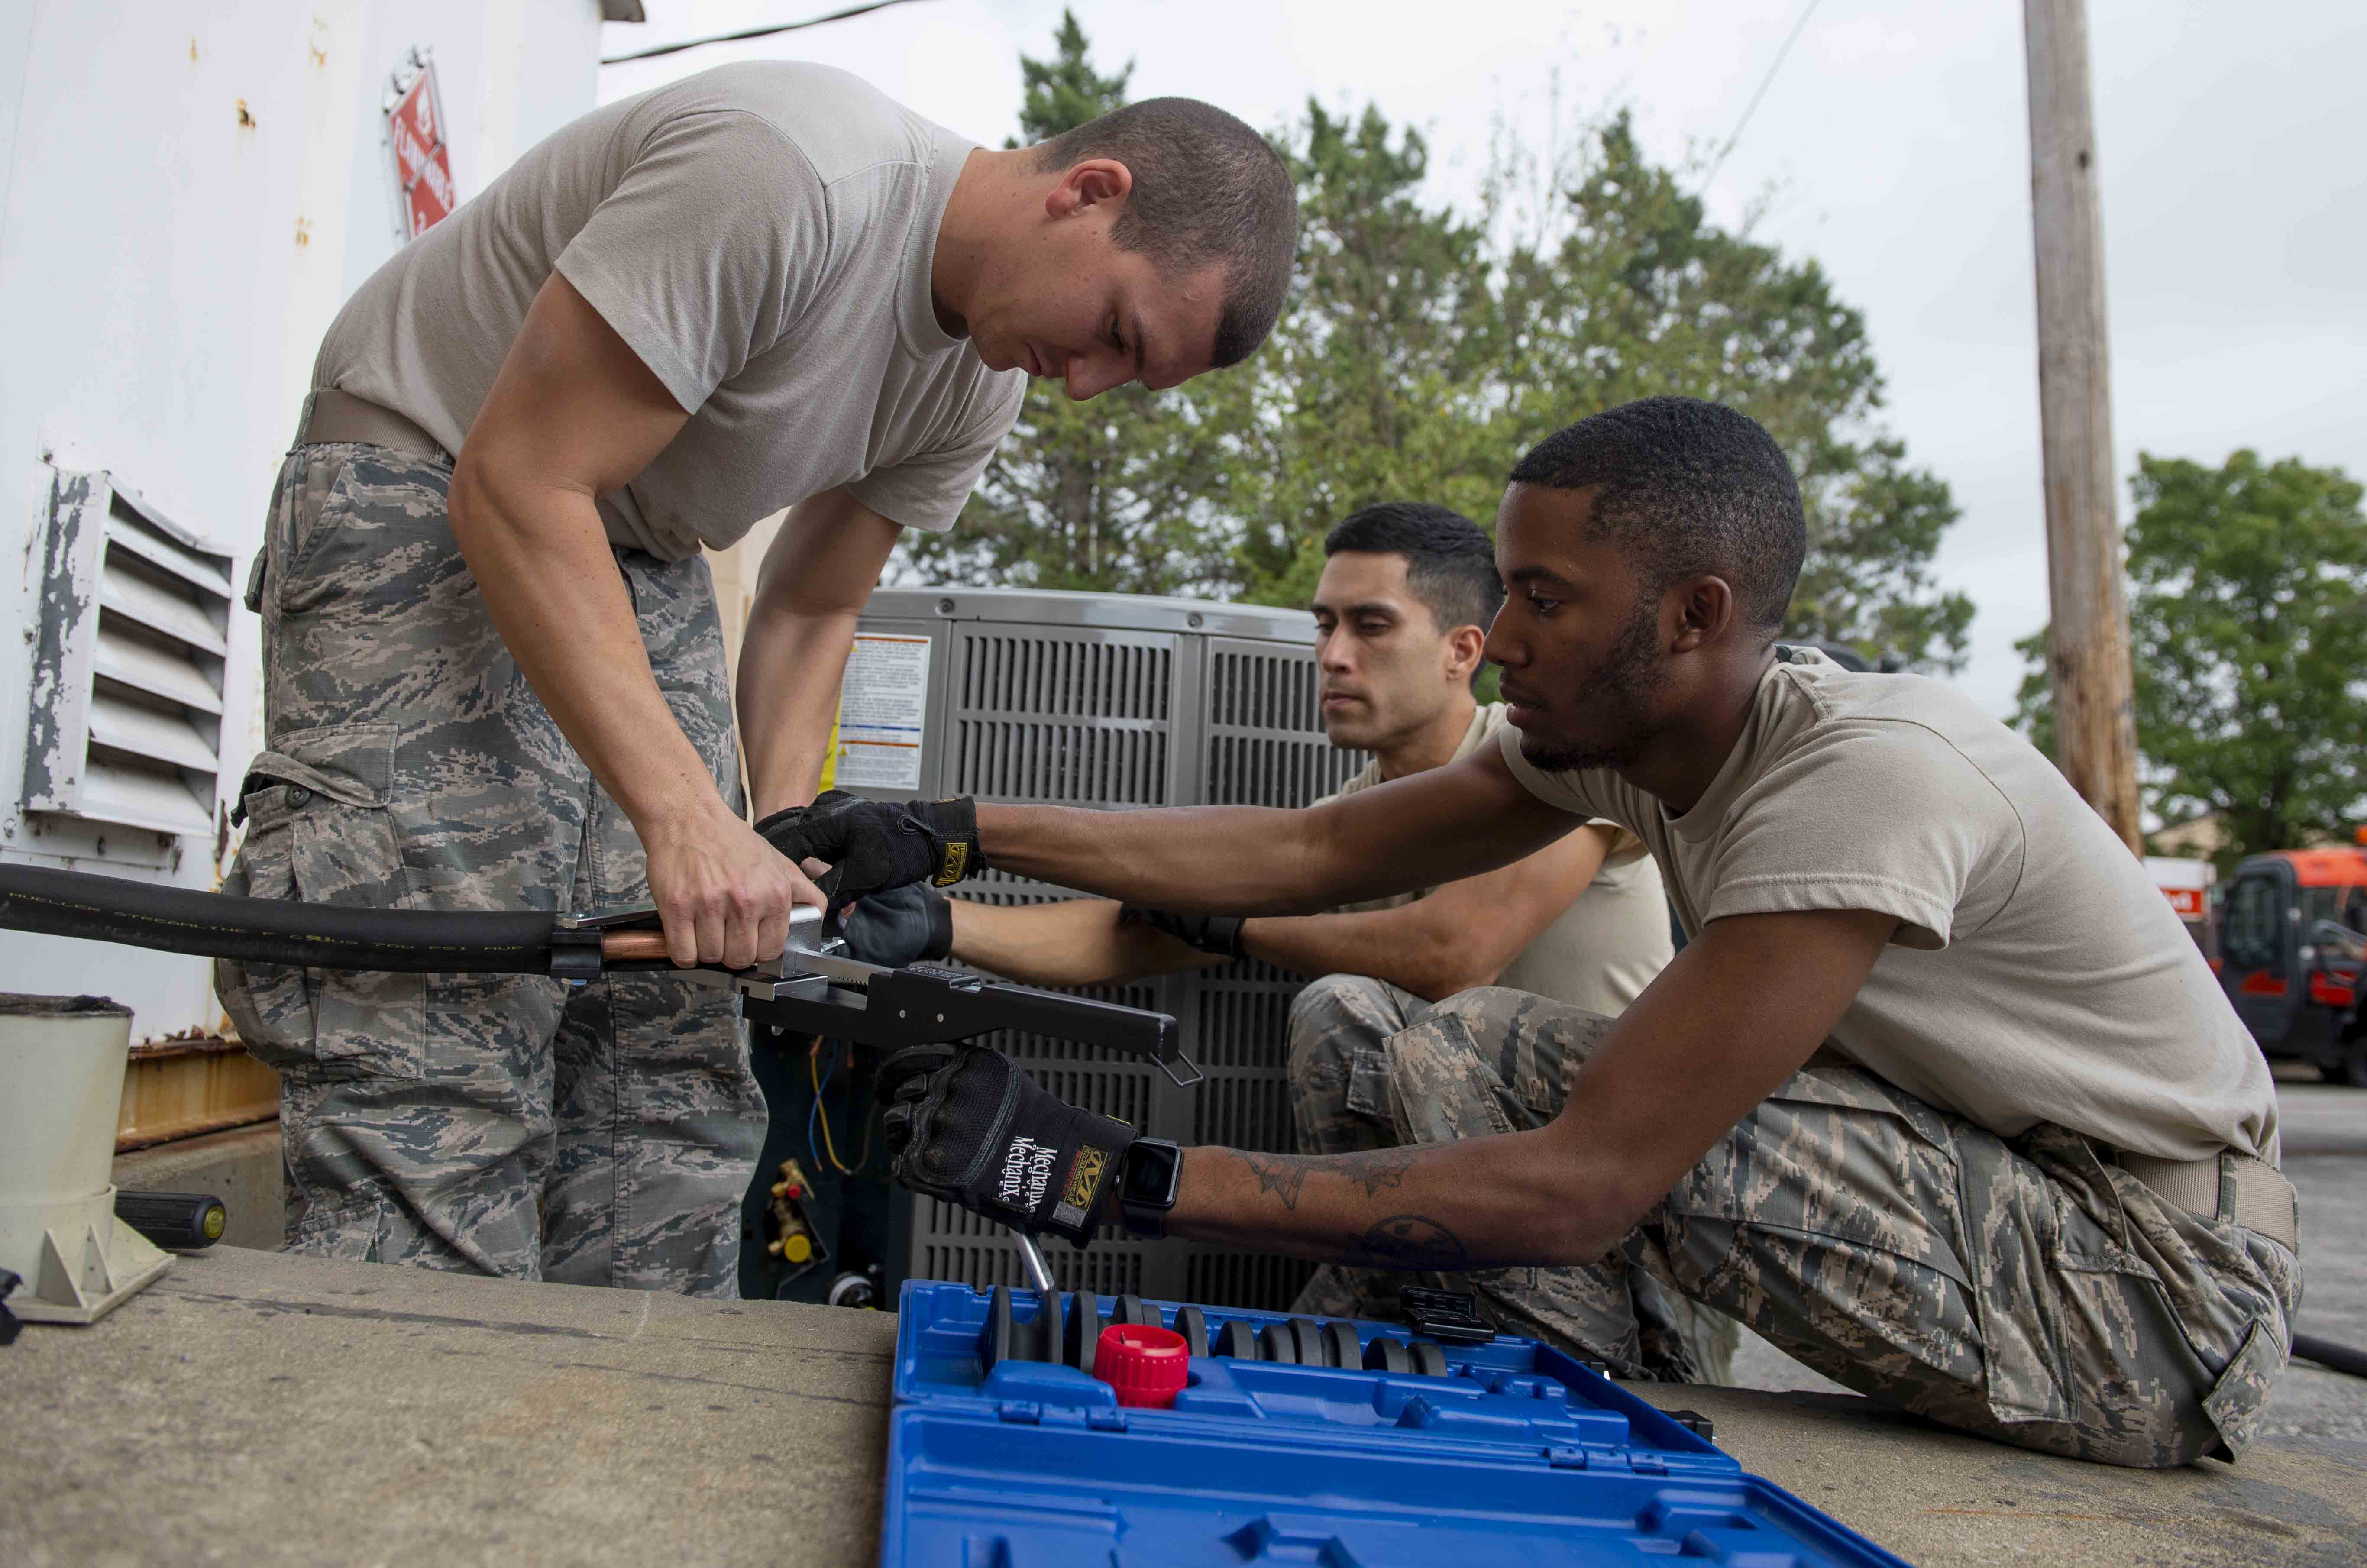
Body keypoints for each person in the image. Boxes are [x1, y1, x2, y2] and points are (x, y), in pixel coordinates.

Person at [766, 398, 2300, 1467]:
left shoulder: (1863, 781)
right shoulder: (1612, 742)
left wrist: (1108, 1177)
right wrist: (960, 827)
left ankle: (1549, 1389)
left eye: (1540, 600)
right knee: (1392, 1035)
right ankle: (1496, 1399)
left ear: (1694, 615)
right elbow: (1312, 848)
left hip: (2148, 1295)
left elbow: (1588, 1181)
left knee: (1604, 1104)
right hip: (2000, 1207)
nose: (1495, 640)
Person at [214, 61, 1297, 1296]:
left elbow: (812, 603)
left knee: (673, 1044)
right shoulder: (794, 173)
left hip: (639, 548)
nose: (1090, 382)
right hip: (434, 477)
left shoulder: (979, 377)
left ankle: (628, 1442)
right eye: (1115, 333)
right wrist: (685, 814)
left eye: (1130, 378)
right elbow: (518, 481)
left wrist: (781, 849)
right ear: (1088, 193)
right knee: (438, 1045)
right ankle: (399, 1446)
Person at [847, 501, 1722, 1379]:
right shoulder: (1354, 816)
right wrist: (942, 922)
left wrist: (1236, 916)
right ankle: (1394, 1307)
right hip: (1457, 1210)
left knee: (1344, 1002)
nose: (1334, 654)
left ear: (1465, 649)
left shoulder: (1557, 765)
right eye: (1326, 624)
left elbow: (1455, 950)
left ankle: (1588, 1364)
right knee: (1345, 1009)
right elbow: (1147, 936)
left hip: (1623, 1220)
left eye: (1371, 625)